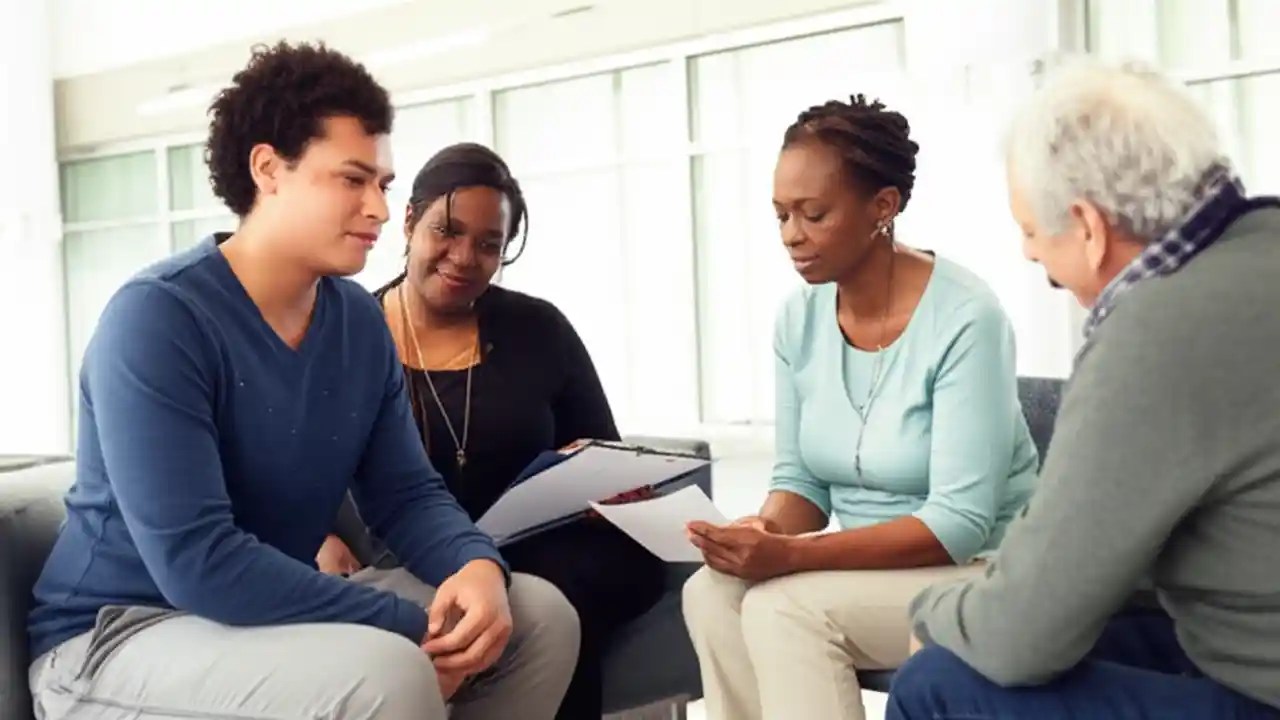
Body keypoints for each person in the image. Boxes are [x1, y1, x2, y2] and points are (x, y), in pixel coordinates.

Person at [26, 42, 579, 720]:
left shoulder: (355, 319)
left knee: (539, 616)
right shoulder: (157, 319)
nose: (379, 209)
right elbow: (199, 561)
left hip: (250, 622)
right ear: (269, 170)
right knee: (388, 671)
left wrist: (478, 568)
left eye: (381, 182)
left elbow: (405, 494)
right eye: (352, 180)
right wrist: (404, 625)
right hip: (115, 638)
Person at [889, 58, 1280, 720]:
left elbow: (1021, 637)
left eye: (1032, 233)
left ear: (1090, 228)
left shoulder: (1158, 331)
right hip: (1240, 647)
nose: (1029, 255)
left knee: (938, 682)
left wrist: (934, 615)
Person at [680, 94, 1039, 720]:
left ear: (883, 207)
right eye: (781, 215)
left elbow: (958, 525)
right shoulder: (799, 320)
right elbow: (802, 482)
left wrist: (792, 558)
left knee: (783, 607)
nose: (793, 235)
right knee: (711, 593)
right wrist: (763, 531)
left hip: (987, 572)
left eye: (814, 214)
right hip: (867, 571)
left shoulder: (966, 318)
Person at [316, 142, 667, 719]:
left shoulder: (539, 327)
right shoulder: (351, 332)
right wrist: (321, 537)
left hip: (540, 544)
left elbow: (604, 448)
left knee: (564, 586)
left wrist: (597, 479)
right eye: (446, 232)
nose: (463, 256)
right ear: (410, 222)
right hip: (413, 552)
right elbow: (303, 460)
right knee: (525, 597)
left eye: (488, 245)